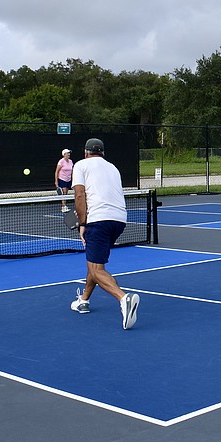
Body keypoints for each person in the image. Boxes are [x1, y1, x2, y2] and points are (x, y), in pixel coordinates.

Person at [69, 138, 140, 329]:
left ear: (85, 153)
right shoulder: (113, 168)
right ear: (102, 153)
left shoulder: (81, 165)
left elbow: (79, 195)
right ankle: (84, 300)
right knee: (95, 264)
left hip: (98, 221)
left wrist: (82, 223)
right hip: (119, 221)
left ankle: (124, 299)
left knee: (96, 269)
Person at [54, 148, 74, 212]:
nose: (69, 154)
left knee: (66, 193)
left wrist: (72, 179)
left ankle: (64, 205)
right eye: (67, 153)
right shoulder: (61, 161)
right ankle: (63, 207)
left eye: (69, 153)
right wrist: (56, 181)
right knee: (64, 192)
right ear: (64, 154)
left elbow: (72, 171)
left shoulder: (70, 161)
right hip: (62, 179)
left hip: (68, 179)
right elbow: (57, 171)